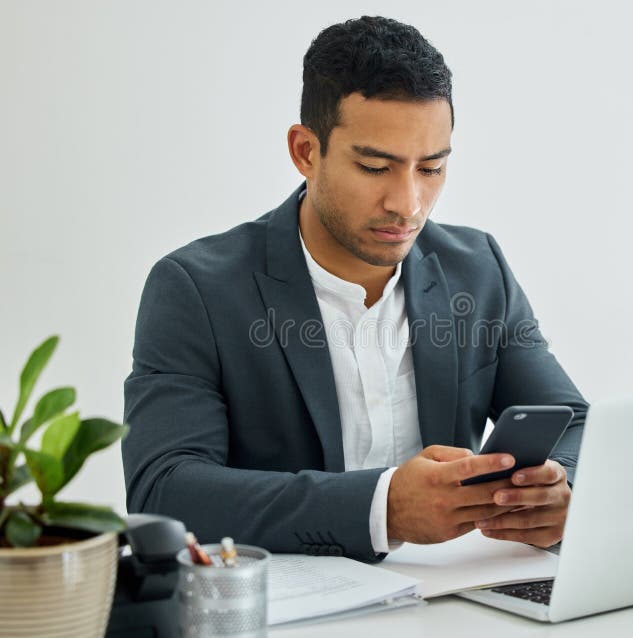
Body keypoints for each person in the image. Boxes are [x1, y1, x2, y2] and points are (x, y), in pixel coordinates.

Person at [122, 16, 588, 563]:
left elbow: (573, 424)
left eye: (432, 168)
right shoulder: (195, 290)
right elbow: (165, 490)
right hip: (285, 611)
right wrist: (381, 508)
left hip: (458, 599)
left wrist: (561, 493)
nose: (407, 203)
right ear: (305, 152)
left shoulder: (477, 269)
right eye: (374, 167)